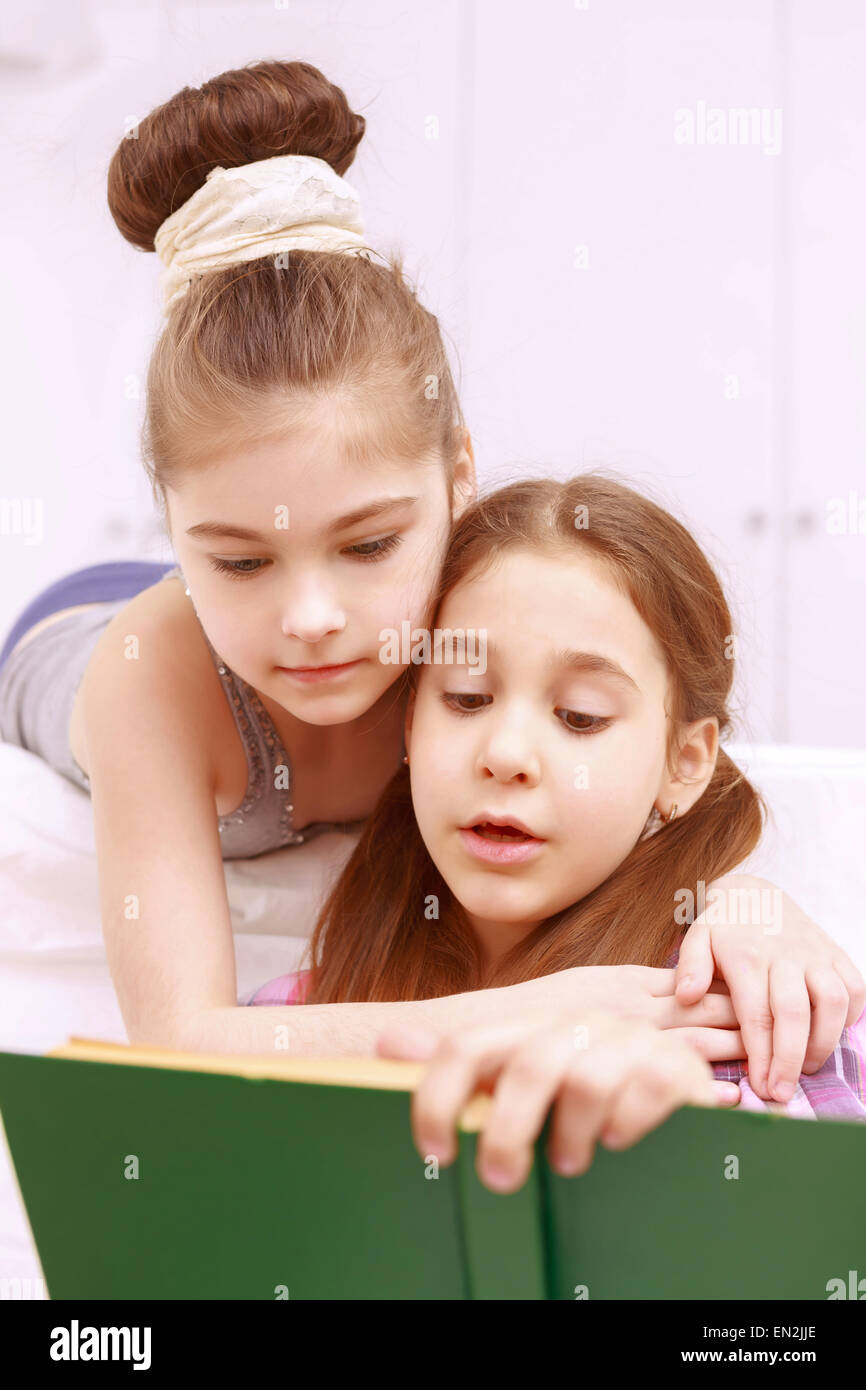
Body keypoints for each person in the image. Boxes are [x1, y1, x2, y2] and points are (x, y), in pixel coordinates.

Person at [0, 62, 859, 1078]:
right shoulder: (150, 671)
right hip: (81, 636)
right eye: (237, 557)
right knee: (164, 622)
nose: (314, 616)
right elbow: (183, 1037)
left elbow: (654, 752)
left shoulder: (464, 612)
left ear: (458, 478)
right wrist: (537, 1012)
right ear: (174, 525)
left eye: (367, 544)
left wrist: (746, 902)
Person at [245, 476, 866, 1185]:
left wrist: (697, 1153)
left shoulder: (770, 1020)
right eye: (468, 697)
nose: (506, 755)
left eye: (580, 716)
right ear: (412, 720)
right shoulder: (287, 1021)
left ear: (685, 762)